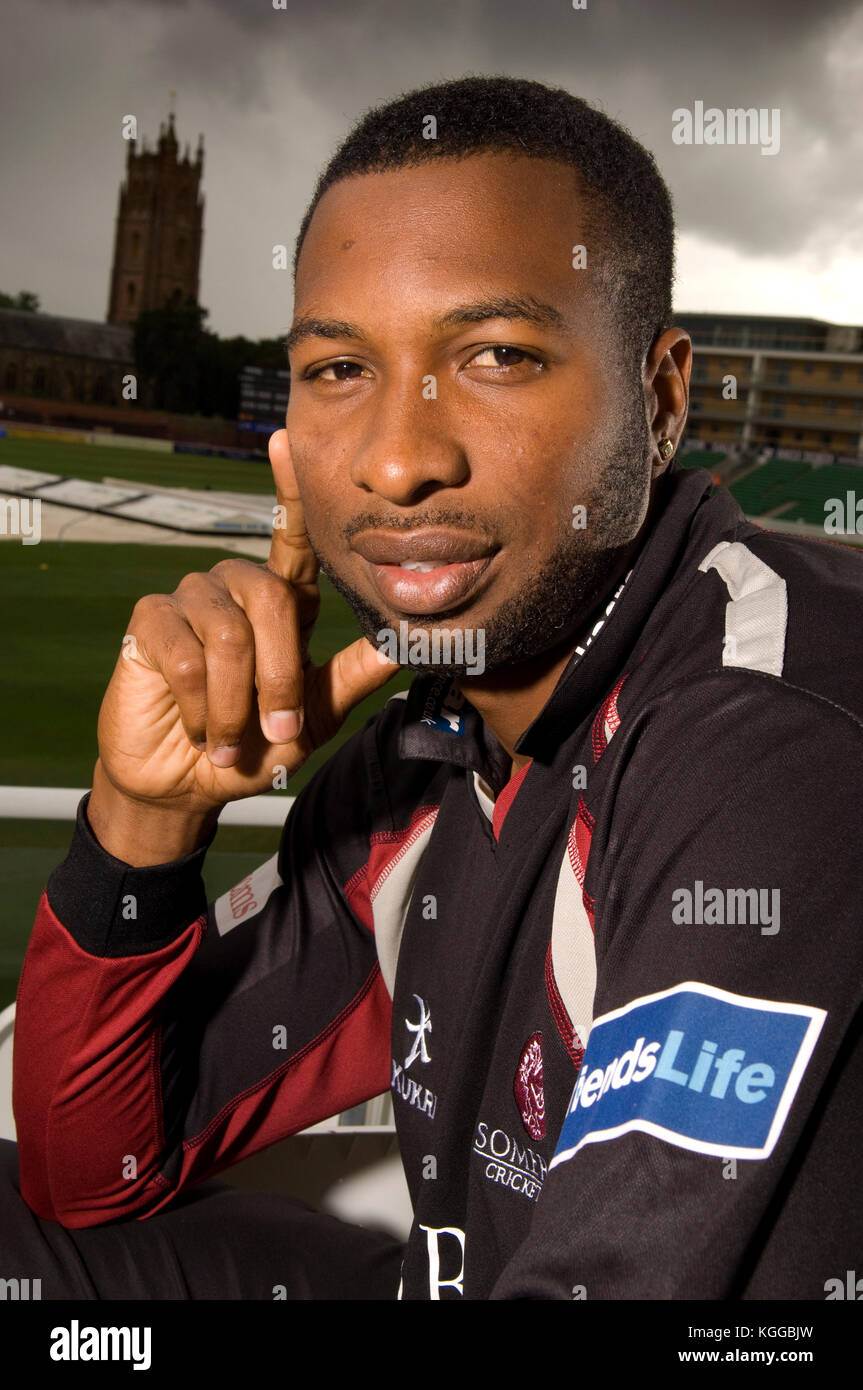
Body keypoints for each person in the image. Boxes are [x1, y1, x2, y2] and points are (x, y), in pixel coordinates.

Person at [5, 75, 863, 1301]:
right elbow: (92, 1177)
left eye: (496, 356)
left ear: (662, 398)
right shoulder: (427, 748)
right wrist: (143, 816)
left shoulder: (768, 732)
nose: (401, 460)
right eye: (341, 367)